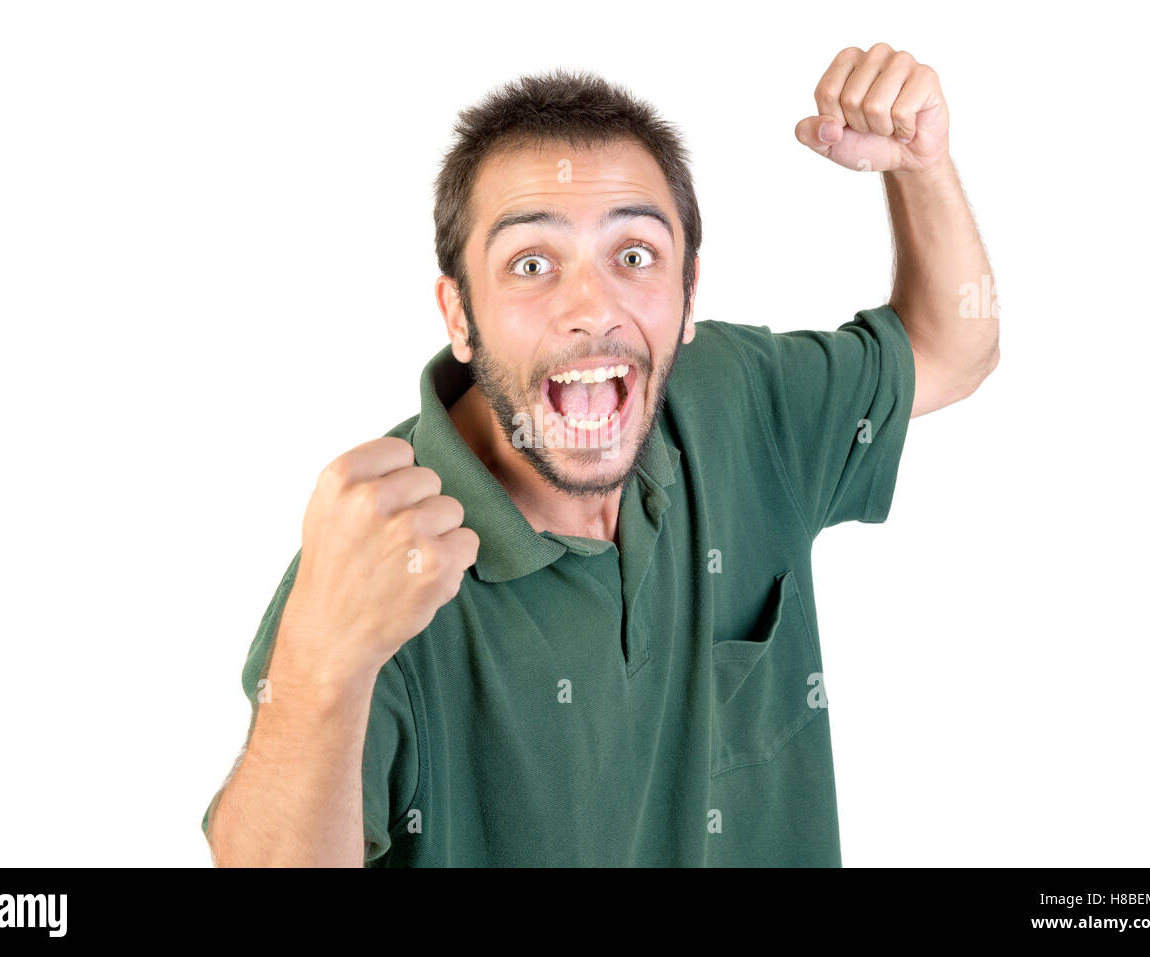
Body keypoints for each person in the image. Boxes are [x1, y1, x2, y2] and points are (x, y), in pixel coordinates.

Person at [202, 46, 1000, 867]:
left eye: (634, 256)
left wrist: (920, 166)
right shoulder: (376, 562)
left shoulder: (735, 398)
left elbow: (950, 349)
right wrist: (317, 666)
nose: (592, 308)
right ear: (460, 316)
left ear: (689, 293)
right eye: (532, 263)